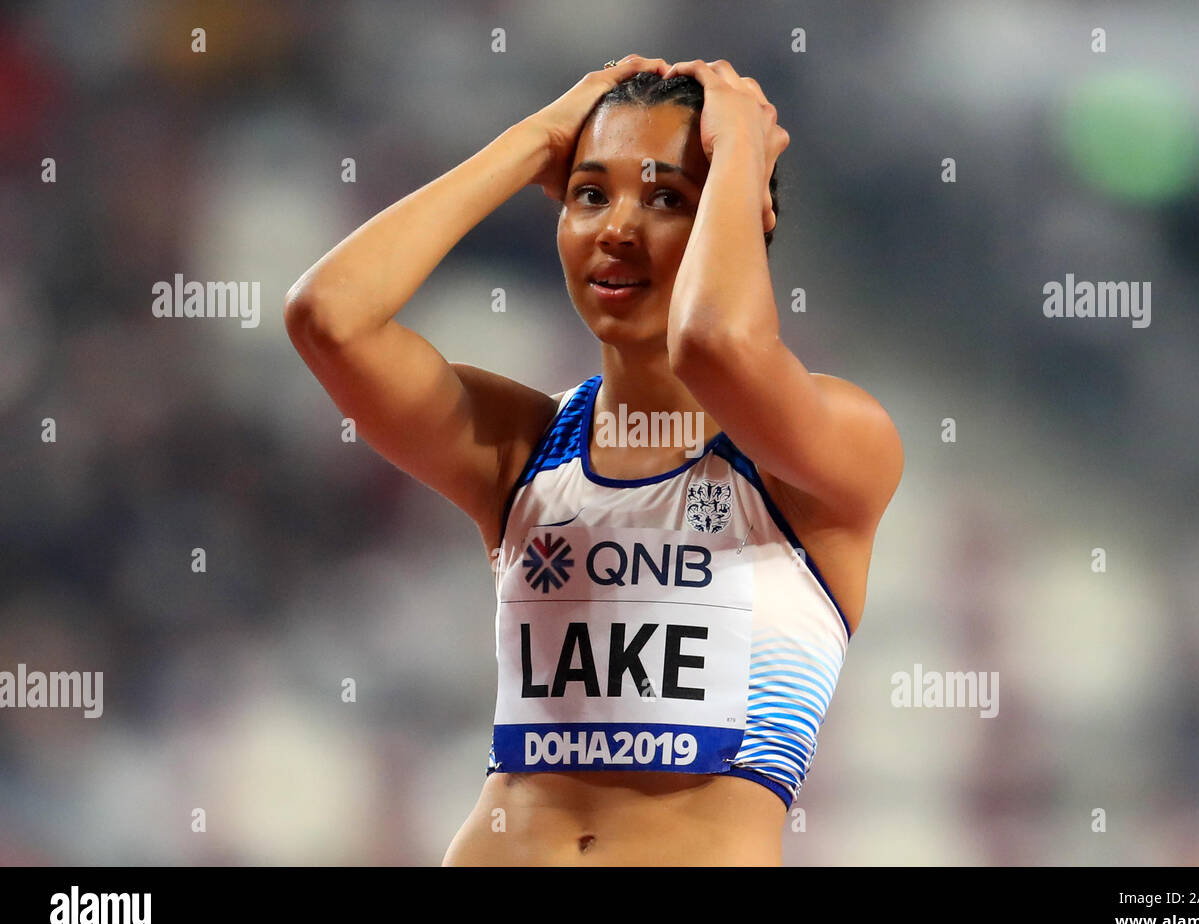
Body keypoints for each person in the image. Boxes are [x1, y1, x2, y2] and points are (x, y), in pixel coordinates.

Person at [284, 55, 903, 866]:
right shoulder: (521, 454)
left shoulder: (830, 448)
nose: (616, 228)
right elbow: (329, 318)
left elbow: (715, 344)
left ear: (744, 219)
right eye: (588, 193)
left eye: (667, 198)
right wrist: (532, 139)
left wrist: (744, 146)